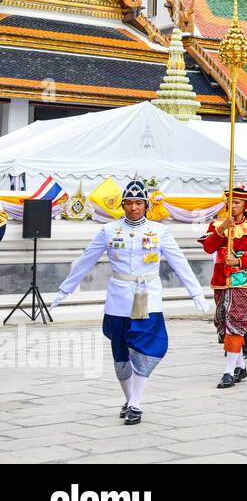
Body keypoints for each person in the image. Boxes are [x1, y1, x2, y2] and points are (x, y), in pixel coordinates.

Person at [52, 180, 210, 425]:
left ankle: (137, 402)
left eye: (139, 203)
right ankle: (129, 398)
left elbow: (179, 262)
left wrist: (196, 293)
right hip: (119, 298)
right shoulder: (108, 231)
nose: (134, 207)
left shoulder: (159, 231)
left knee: (146, 347)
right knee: (121, 353)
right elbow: (86, 260)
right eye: (129, 202)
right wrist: (64, 290)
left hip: (148, 297)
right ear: (122, 204)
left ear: (146, 204)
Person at [200, 186, 247, 388]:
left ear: (245, 205)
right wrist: (222, 229)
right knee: (222, 321)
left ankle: (228, 371)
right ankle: (240, 366)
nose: (233, 206)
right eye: (230, 202)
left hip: (243, 282)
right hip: (221, 280)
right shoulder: (216, 225)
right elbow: (208, 247)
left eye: (237, 202)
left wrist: (240, 262)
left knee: (235, 322)